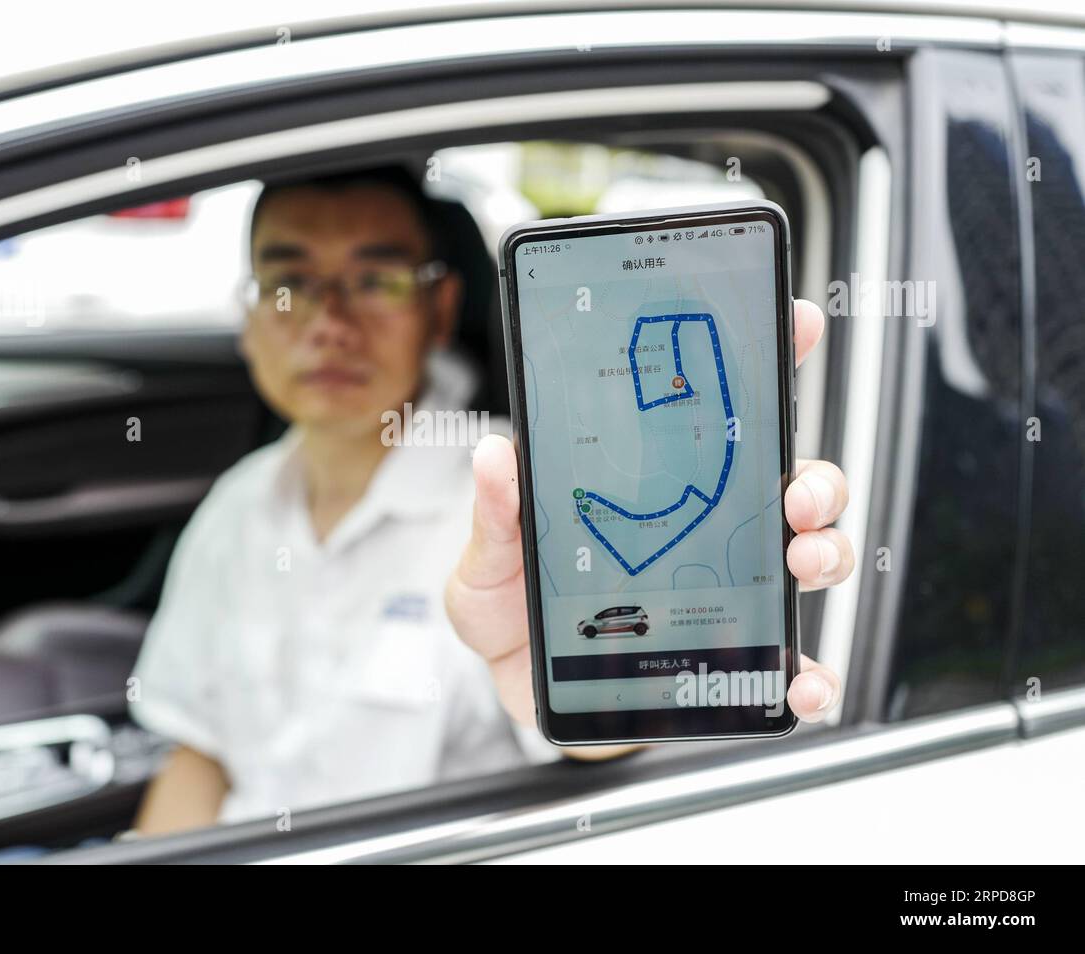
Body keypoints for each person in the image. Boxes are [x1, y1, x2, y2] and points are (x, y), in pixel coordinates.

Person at [128, 163, 851, 834]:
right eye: (289, 286)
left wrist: (656, 665)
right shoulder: (236, 504)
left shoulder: (522, 487)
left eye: (375, 282)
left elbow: (611, 733)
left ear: (440, 308)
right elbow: (201, 754)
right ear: (249, 315)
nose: (328, 323)